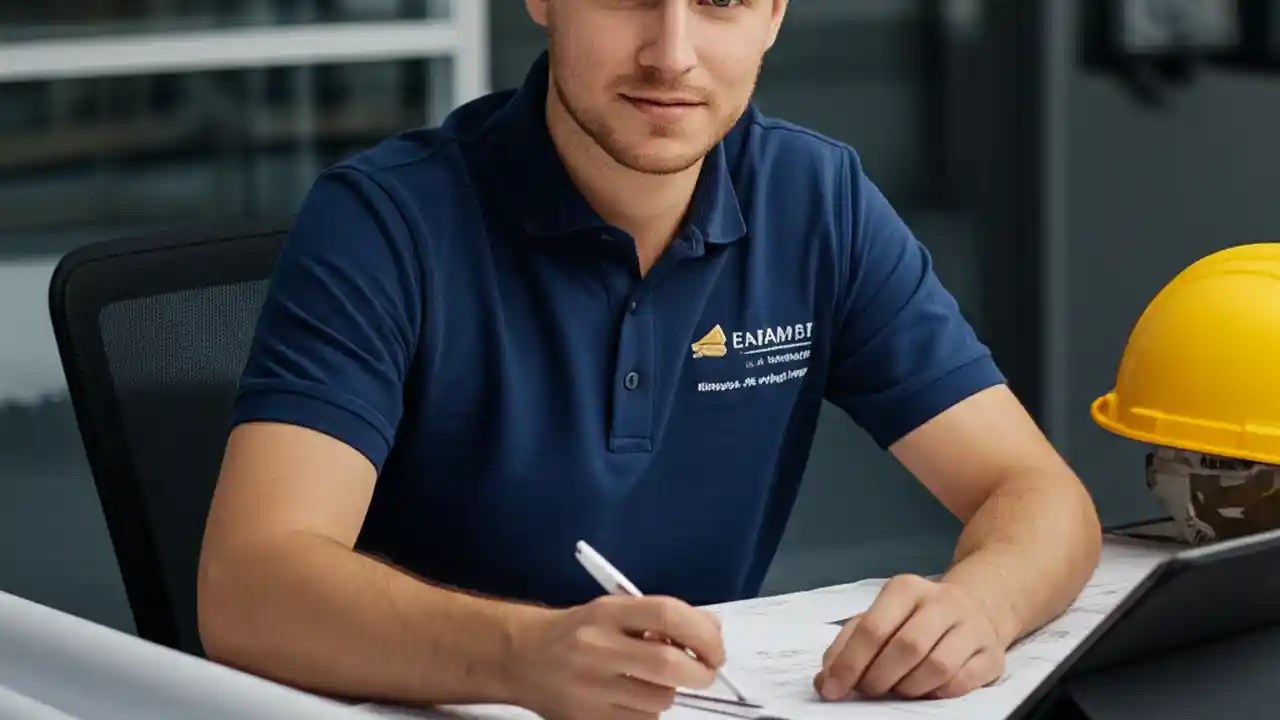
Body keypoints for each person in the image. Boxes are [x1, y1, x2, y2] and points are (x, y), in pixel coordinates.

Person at [196, 1, 1102, 718]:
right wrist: (526, 656)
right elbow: (249, 587)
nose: (671, 53)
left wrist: (981, 605)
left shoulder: (816, 202)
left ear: (774, 15)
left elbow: (1038, 493)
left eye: (721, 1)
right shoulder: (382, 223)